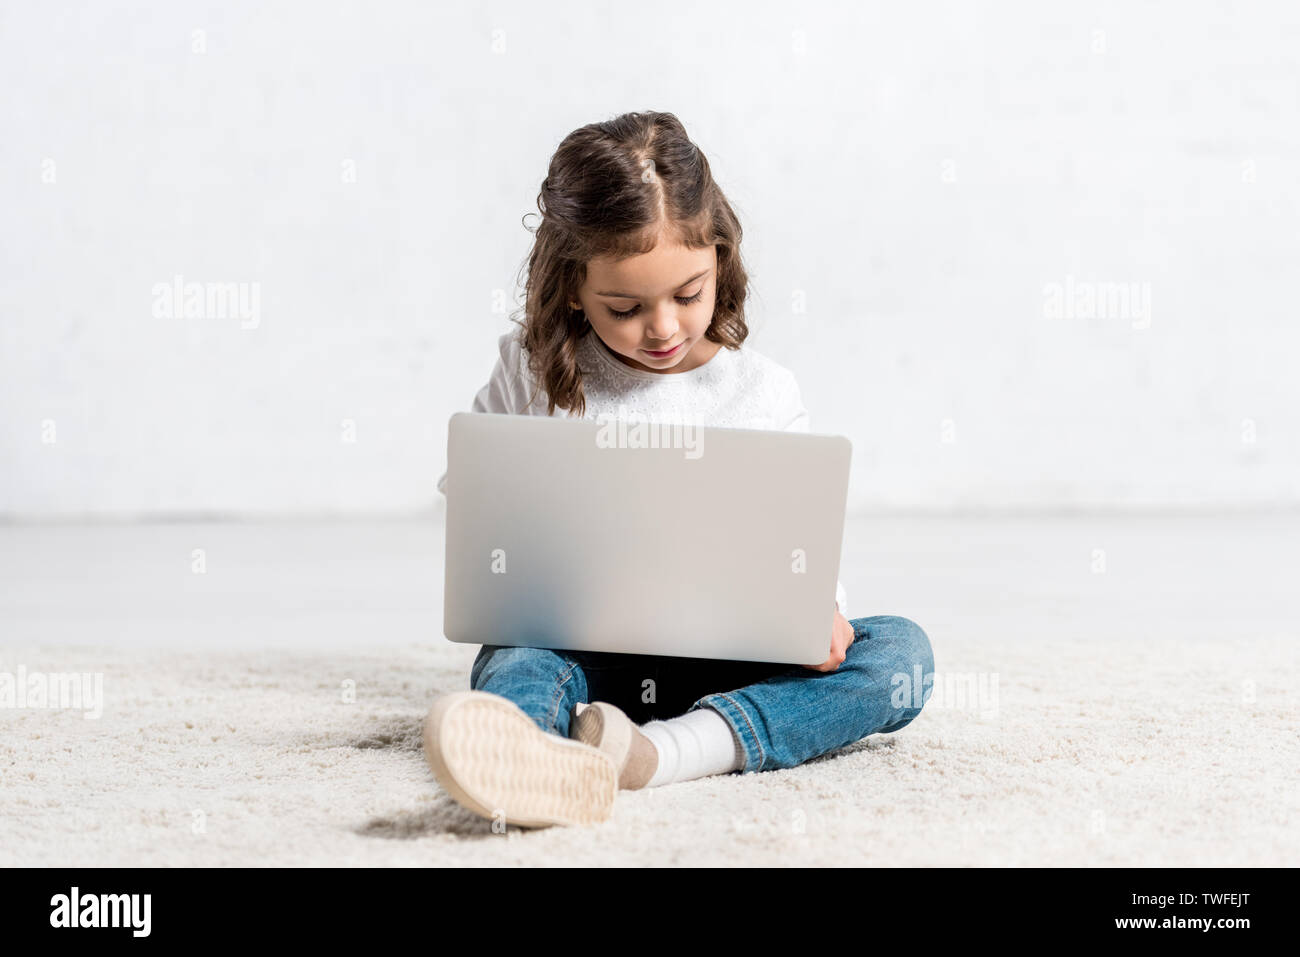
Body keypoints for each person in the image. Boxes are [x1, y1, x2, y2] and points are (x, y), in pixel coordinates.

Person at [425, 111, 934, 828]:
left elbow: (800, 547)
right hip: (581, 655)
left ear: (719, 259)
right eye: (625, 307)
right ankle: (527, 756)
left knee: (899, 654)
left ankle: (665, 753)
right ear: (572, 287)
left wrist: (821, 608)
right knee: (515, 657)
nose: (663, 328)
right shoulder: (528, 370)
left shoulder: (765, 390)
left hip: (728, 664)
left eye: (687, 294)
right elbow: (477, 511)